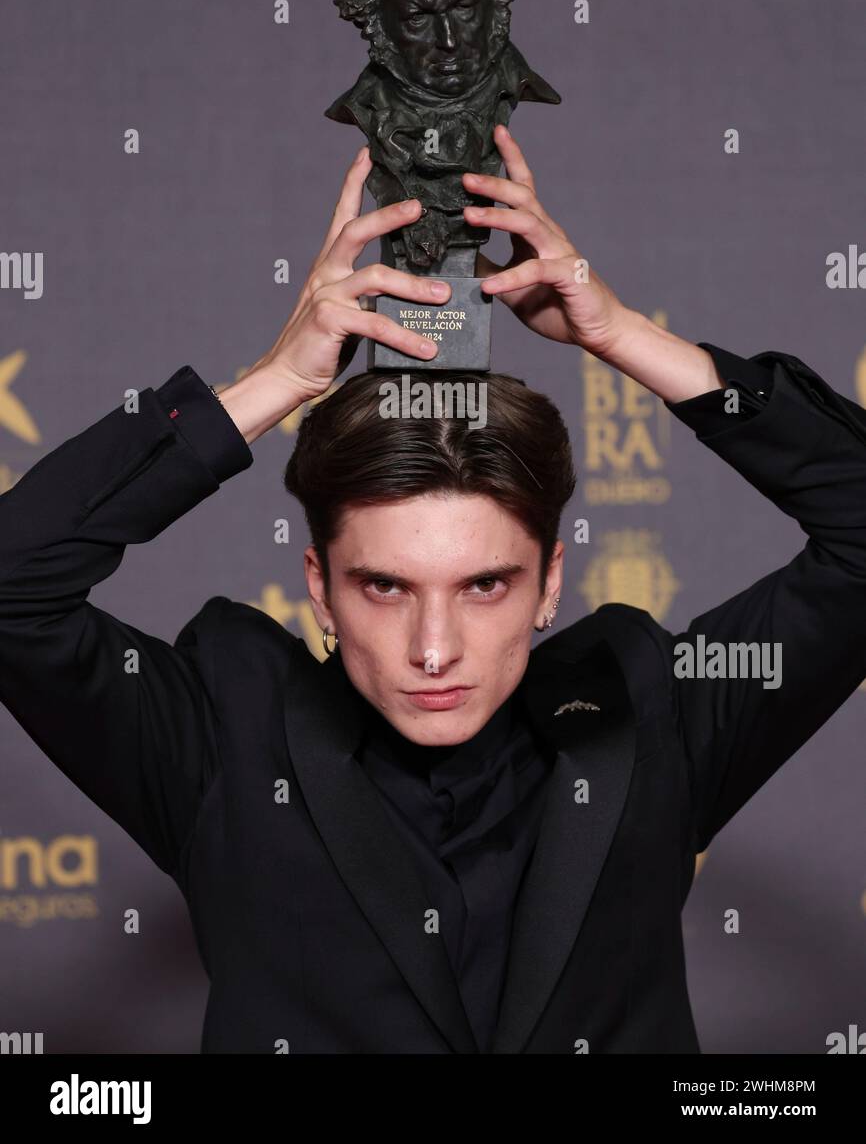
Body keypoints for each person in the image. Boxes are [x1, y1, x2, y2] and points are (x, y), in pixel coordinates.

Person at [0, 126, 864, 1054]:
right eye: (384, 586)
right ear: (319, 589)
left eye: (485, 584)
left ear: (550, 583)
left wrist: (624, 337)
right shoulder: (224, 742)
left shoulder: (648, 717)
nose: (434, 647)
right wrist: (277, 380)